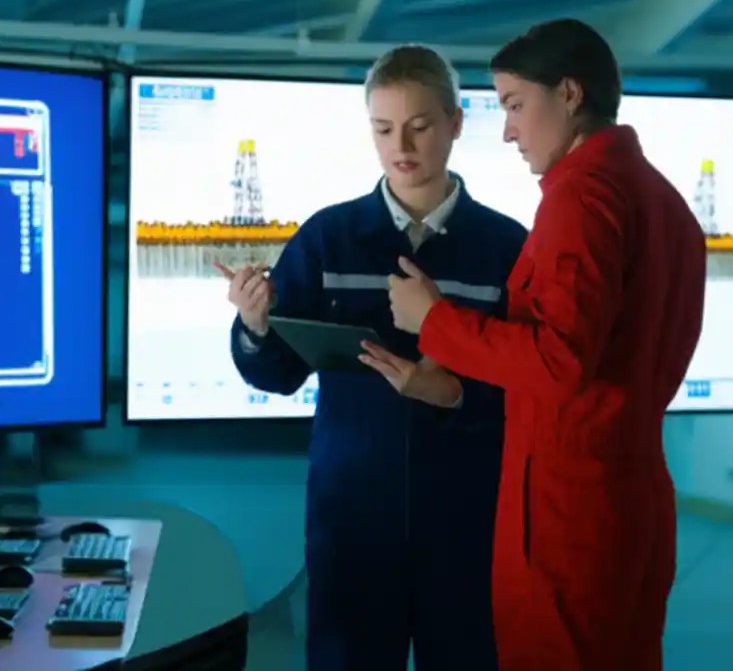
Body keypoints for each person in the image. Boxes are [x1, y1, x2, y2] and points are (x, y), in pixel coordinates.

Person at [384, 19, 707, 670]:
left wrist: (435, 322)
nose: (508, 131)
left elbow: (559, 360)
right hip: (632, 492)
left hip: (568, 508)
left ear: (569, 94)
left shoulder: (581, 199)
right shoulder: (664, 200)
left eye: (514, 105)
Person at [218, 45, 527, 670]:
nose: (400, 147)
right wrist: (254, 325)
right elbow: (277, 374)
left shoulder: (507, 248)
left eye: (420, 126)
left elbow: (531, 384)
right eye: (384, 129)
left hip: (468, 521)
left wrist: (455, 393)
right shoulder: (327, 238)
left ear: (456, 123)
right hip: (352, 521)